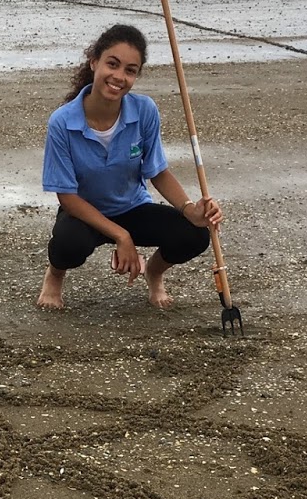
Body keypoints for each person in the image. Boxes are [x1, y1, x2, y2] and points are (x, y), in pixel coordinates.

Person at [36, 24, 222, 311]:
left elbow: (157, 171)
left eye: (130, 70)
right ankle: (55, 275)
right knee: (68, 244)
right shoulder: (62, 122)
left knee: (195, 233)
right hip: (86, 213)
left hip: (132, 208)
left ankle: (155, 273)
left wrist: (189, 208)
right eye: (113, 64)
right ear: (94, 61)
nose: (119, 77)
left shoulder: (144, 110)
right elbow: (67, 196)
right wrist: (122, 237)